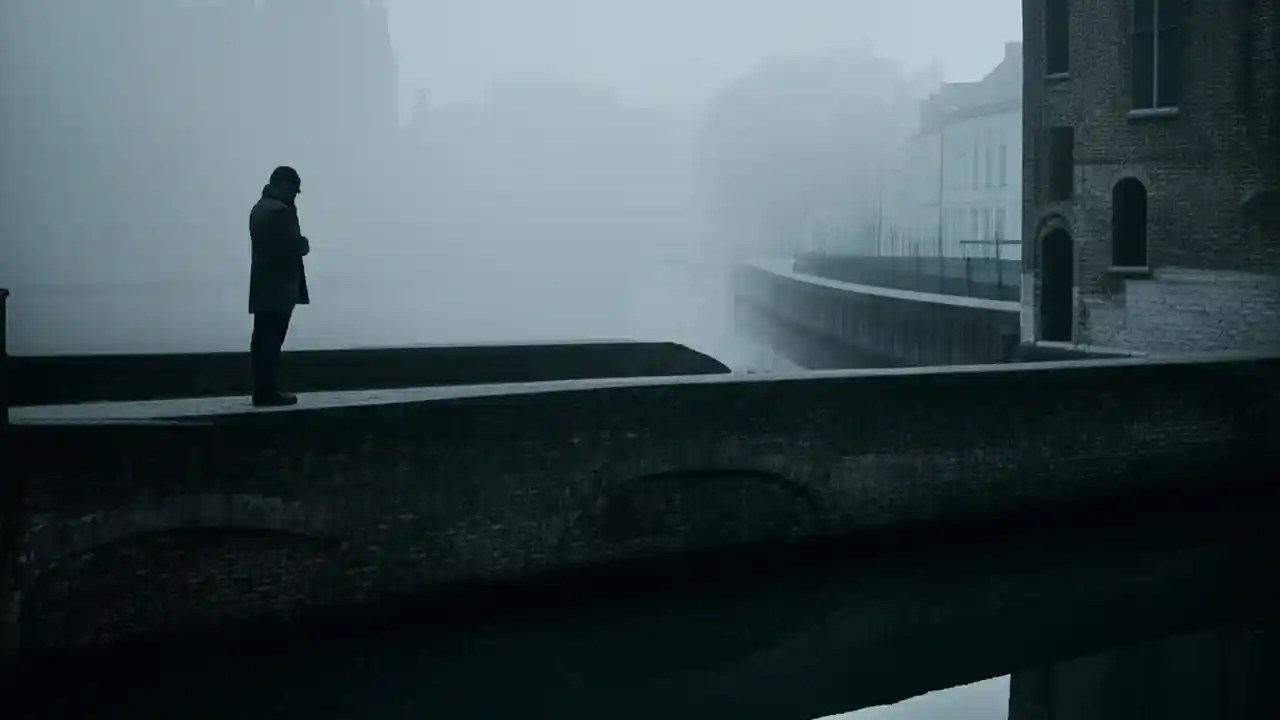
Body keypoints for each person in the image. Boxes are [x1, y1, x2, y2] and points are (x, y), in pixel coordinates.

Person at [248, 165, 310, 407]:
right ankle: (267, 391)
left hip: (264, 284)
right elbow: (290, 246)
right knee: (271, 340)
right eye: (294, 189)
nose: (295, 194)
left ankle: (263, 389)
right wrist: (302, 244)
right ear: (283, 184)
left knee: (262, 338)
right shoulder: (279, 211)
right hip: (279, 285)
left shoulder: (259, 208)